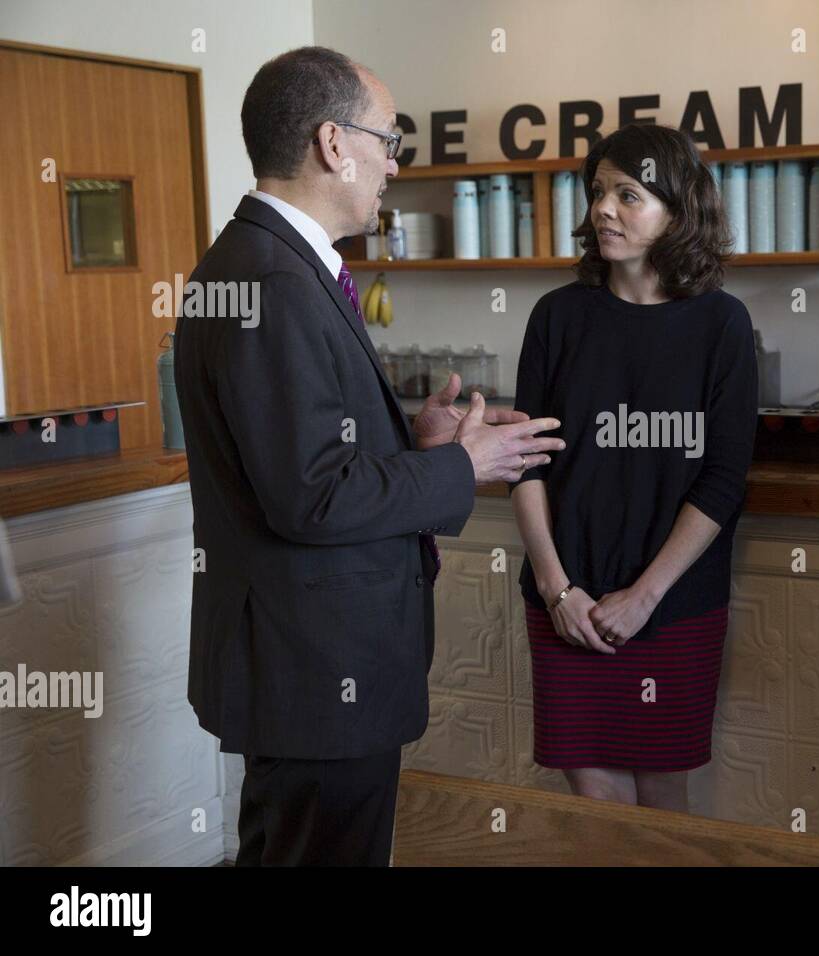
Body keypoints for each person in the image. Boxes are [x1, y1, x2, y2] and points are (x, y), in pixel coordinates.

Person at [176, 46, 563, 865]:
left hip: (304, 666)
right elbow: (312, 498)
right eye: (389, 140)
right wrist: (465, 466)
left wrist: (411, 445)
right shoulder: (274, 282)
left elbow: (305, 464)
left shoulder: (270, 265)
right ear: (332, 143)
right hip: (316, 670)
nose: (393, 163)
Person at [509, 124, 757, 811]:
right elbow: (526, 465)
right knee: (593, 808)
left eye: (628, 194)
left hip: (673, 605)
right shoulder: (556, 317)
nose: (604, 209)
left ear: (679, 210)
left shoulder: (722, 325)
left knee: (662, 802)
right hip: (567, 604)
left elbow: (723, 478)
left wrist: (645, 596)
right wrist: (560, 592)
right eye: (597, 192)